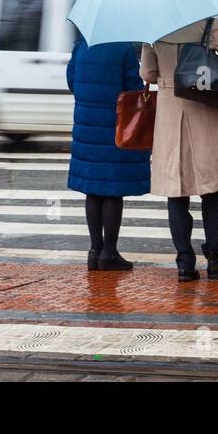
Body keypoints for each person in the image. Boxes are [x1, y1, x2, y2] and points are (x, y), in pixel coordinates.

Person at [141, 19, 218, 282]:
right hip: (206, 105)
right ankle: (214, 258)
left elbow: (147, 74)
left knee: (175, 191)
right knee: (213, 189)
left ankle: (184, 264)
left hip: (170, 109)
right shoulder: (207, 22)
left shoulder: (152, 26)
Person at [66, 33, 150, 271]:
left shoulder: (81, 47)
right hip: (115, 125)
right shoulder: (123, 49)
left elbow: (72, 82)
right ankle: (109, 252)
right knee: (112, 190)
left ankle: (94, 251)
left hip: (87, 126)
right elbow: (133, 89)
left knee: (93, 190)